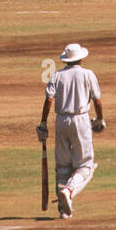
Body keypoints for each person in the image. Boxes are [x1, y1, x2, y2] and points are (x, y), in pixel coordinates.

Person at [36, 43, 104, 219]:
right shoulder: (88, 74)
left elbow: (49, 100)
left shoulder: (57, 75)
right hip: (81, 119)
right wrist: (100, 119)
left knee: (63, 166)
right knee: (85, 166)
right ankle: (69, 191)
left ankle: (63, 210)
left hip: (61, 121)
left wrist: (43, 123)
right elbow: (97, 100)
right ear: (81, 58)